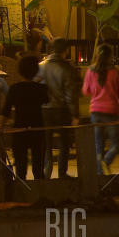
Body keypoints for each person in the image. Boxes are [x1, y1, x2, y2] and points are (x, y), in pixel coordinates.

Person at [38, 40, 81, 178]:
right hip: (61, 110)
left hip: (44, 110)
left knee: (46, 141)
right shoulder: (66, 68)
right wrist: (75, 114)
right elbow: (70, 93)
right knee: (64, 142)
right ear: (65, 51)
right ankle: (62, 173)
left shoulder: (41, 67)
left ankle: (46, 171)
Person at [1, 55, 48, 181]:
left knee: (20, 165)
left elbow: (6, 110)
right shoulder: (41, 89)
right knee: (38, 164)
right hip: (37, 127)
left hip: (19, 128)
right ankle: (40, 191)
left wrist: (0, 127)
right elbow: (47, 101)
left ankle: (21, 192)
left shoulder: (14, 89)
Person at [83, 44, 119, 174]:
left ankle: (100, 172)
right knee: (115, 143)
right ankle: (106, 161)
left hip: (95, 111)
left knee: (98, 144)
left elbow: (86, 91)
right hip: (111, 112)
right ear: (110, 56)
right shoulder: (116, 73)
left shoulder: (91, 71)